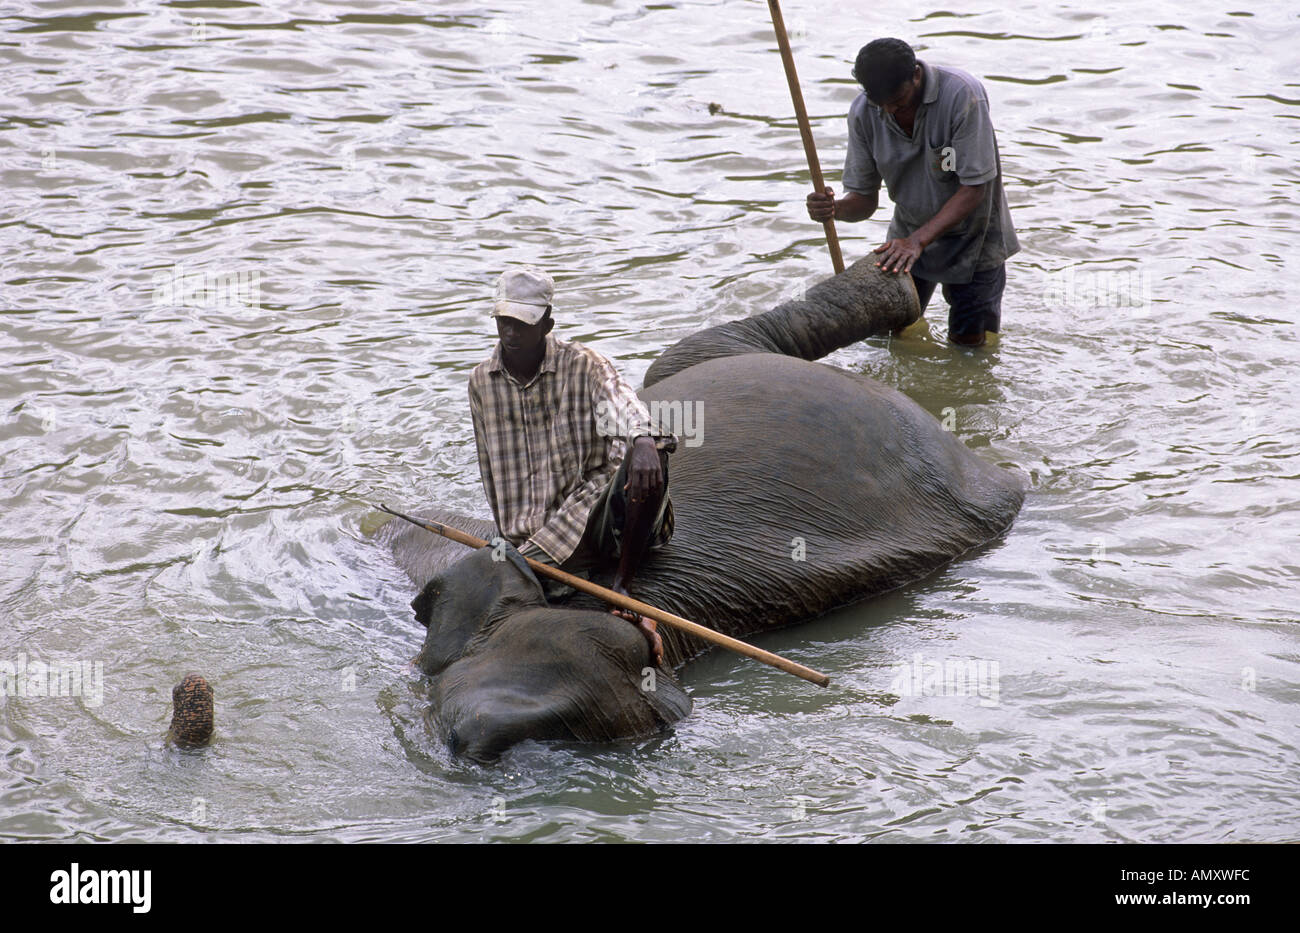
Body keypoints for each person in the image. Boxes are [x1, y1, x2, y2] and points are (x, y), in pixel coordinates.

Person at [467, 267, 675, 664]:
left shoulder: (585, 364)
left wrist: (645, 439)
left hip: (596, 510)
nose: (510, 334)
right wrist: (508, 541)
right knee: (487, 584)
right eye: (503, 322)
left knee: (649, 453)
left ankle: (622, 586)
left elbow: (625, 404)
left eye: (522, 324)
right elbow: (489, 469)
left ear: (547, 323)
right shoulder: (481, 382)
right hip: (535, 528)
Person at [807, 38, 1019, 346]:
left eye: (899, 102)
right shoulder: (865, 112)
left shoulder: (963, 96)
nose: (890, 111)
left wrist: (916, 241)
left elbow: (975, 189)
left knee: (969, 349)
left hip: (974, 239)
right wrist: (835, 209)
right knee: (889, 336)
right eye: (881, 105)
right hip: (906, 238)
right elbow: (864, 201)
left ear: (916, 76)